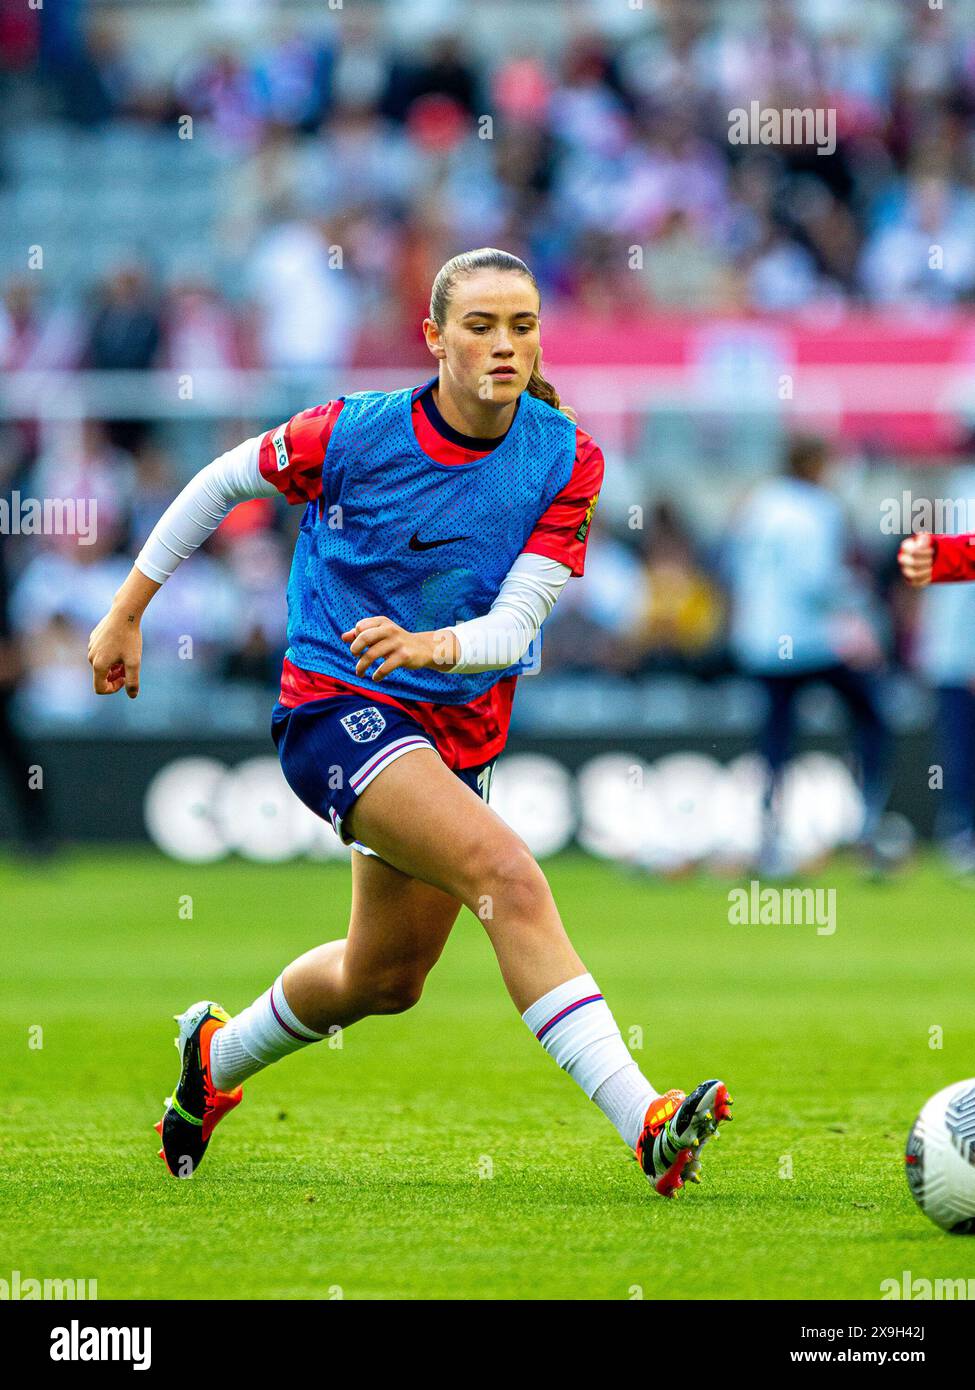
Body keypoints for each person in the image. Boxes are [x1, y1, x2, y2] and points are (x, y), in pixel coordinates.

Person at [87, 248, 732, 1196]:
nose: (504, 344)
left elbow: (516, 625)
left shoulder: (566, 457)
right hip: (334, 704)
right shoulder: (351, 433)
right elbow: (221, 481)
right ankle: (643, 1120)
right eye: (480, 326)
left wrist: (435, 647)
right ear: (434, 339)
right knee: (508, 874)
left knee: (382, 980)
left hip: (454, 728)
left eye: (522, 325)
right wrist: (128, 609)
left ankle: (212, 1061)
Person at [727, 435, 890, 873]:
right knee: (873, 714)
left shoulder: (759, 501)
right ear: (815, 464)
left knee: (776, 739)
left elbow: (734, 566)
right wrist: (861, 601)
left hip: (759, 641)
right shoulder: (819, 509)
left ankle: (769, 838)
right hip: (806, 640)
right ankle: (868, 824)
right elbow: (816, 582)